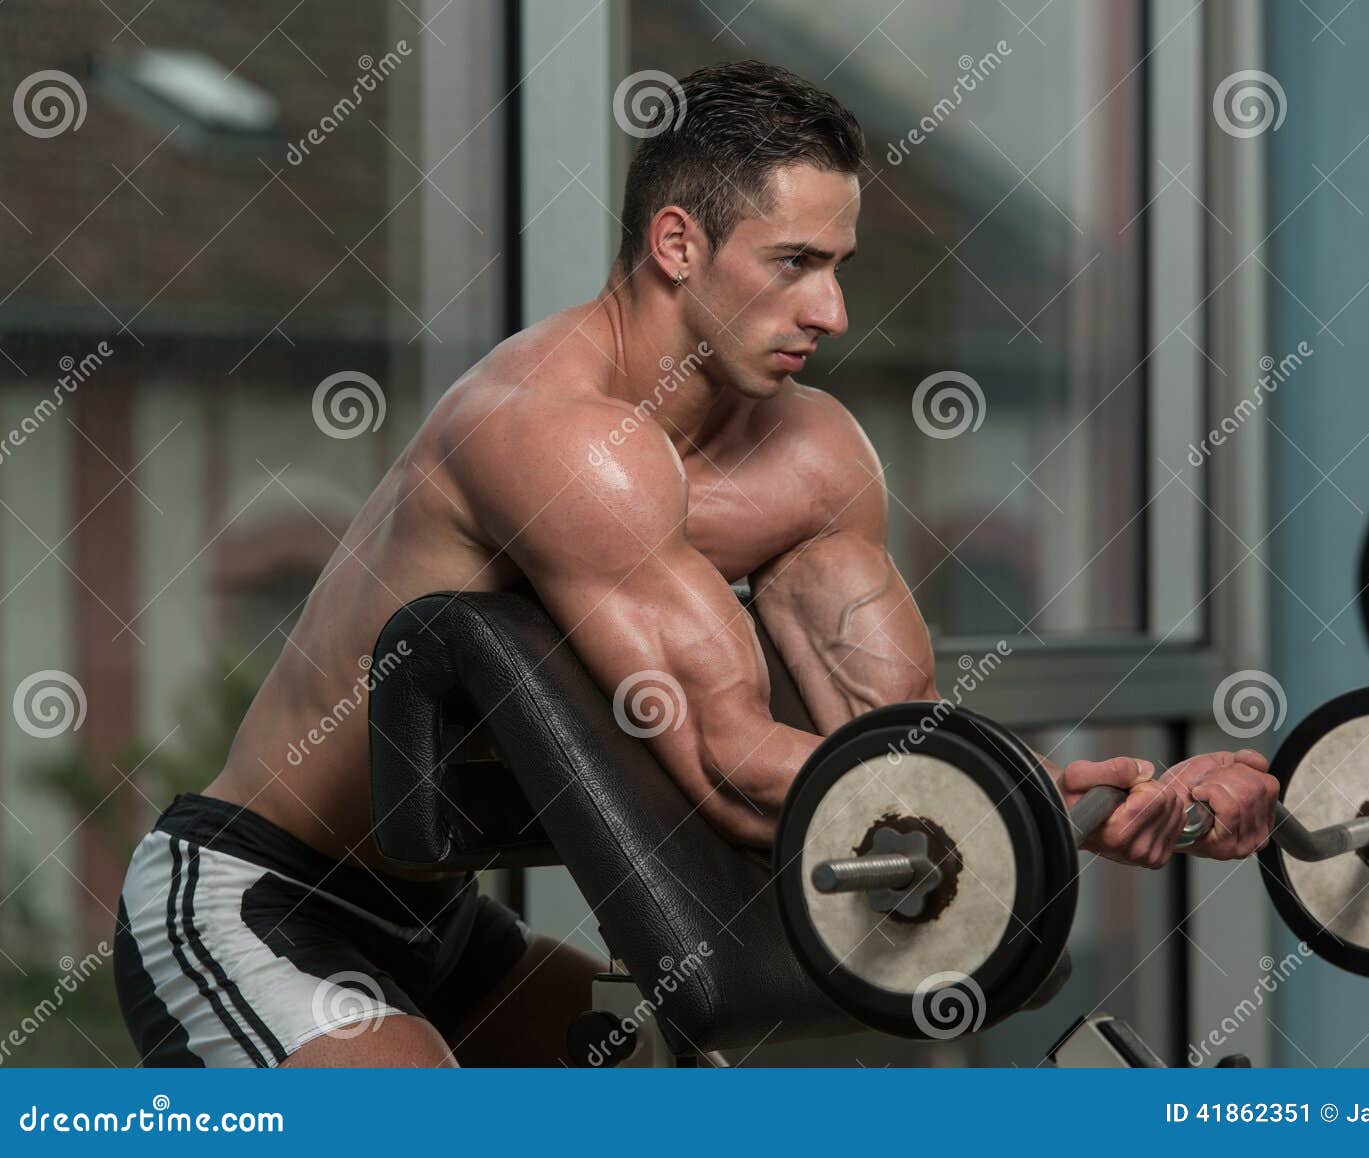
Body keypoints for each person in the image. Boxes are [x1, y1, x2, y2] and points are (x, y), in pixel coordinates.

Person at [113, 59, 1278, 1069]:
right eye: (792, 262)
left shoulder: (814, 456)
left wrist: (1097, 798)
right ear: (678, 243)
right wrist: (1028, 811)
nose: (829, 308)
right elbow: (727, 770)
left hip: (446, 924)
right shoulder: (550, 436)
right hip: (263, 896)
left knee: (665, 1086)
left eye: (841, 265)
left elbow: (897, 747)